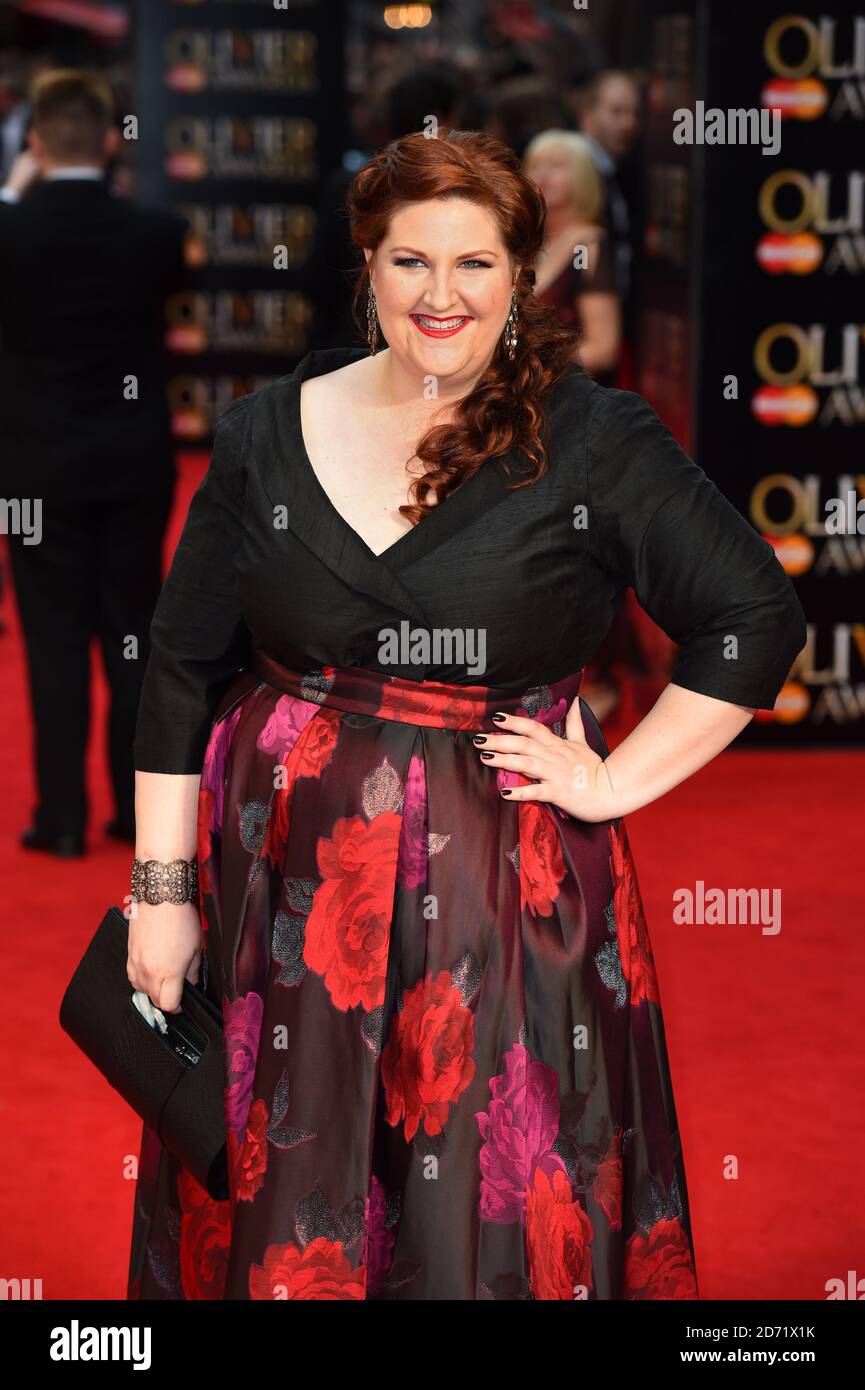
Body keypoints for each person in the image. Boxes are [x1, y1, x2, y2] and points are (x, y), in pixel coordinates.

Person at [125, 130, 806, 1301]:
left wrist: (613, 782)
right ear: (367, 270)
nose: (440, 296)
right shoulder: (260, 438)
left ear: (520, 275)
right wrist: (162, 893)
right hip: (281, 905)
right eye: (408, 261)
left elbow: (752, 614)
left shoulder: (595, 441)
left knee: (480, 1205)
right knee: (289, 1184)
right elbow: (182, 669)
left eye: (475, 264)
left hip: (500, 901)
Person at [0, 71, 186, 855]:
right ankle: (134, 814)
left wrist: (11, 195)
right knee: (132, 636)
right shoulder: (155, 232)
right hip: (133, 463)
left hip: (34, 470)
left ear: (35, 143)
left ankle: (63, 819)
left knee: (52, 641)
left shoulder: (8, 228)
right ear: (112, 141)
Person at [524, 129, 621, 383]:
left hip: (574, 400)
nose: (543, 175)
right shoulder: (528, 242)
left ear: (582, 178)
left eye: (556, 166)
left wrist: (529, 363)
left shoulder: (589, 245)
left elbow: (603, 349)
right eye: (535, 165)